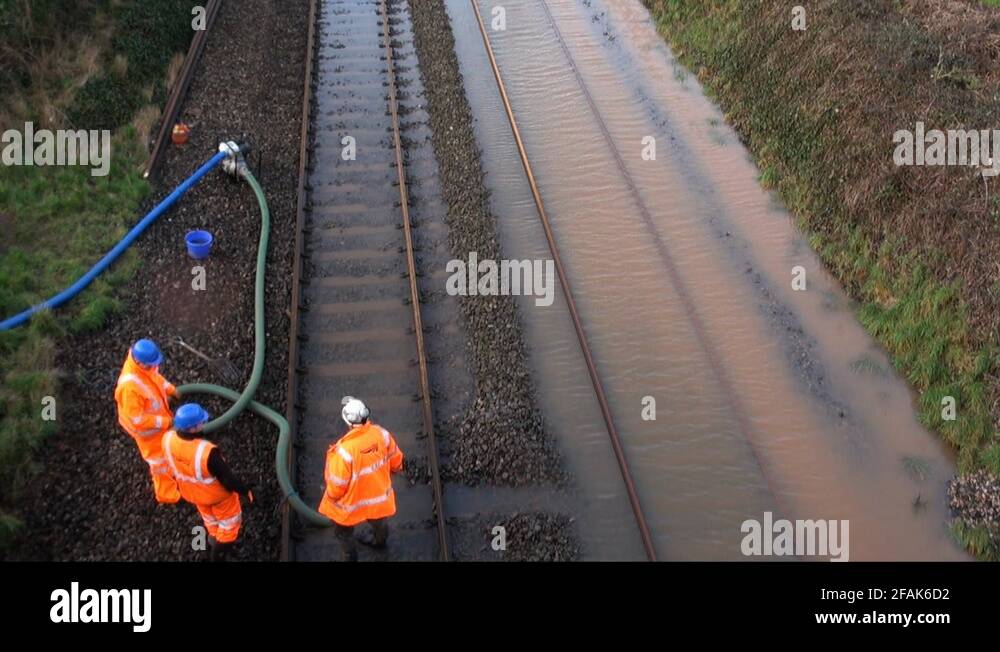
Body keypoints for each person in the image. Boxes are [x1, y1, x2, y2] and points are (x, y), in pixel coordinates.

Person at [163, 403, 254, 562]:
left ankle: (211, 541)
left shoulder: (168, 439)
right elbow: (227, 479)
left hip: (193, 494)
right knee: (229, 527)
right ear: (192, 428)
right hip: (218, 498)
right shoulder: (207, 453)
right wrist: (245, 490)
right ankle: (218, 554)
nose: (204, 424)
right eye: (201, 422)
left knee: (210, 521)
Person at [318, 396, 404, 561]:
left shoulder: (344, 452)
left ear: (349, 423)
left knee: (343, 532)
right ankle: (380, 541)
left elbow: (337, 487)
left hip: (350, 505)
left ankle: (350, 557)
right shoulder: (382, 435)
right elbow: (396, 461)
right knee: (379, 521)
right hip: (377, 498)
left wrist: (330, 497)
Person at [114, 339, 180, 503]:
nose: (154, 367)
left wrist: (171, 389)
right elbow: (138, 420)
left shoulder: (145, 368)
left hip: (157, 423)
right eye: (151, 365)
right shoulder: (129, 388)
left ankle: (174, 469)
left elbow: (156, 379)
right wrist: (166, 422)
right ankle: (166, 494)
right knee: (159, 463)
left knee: (168, 452)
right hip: (147, 434)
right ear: (139, 362)